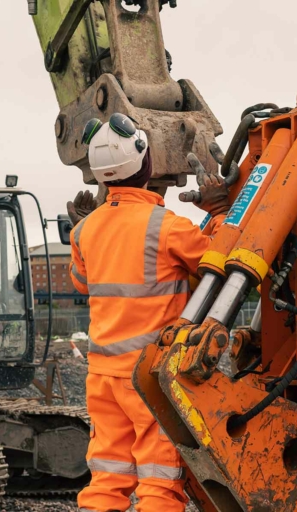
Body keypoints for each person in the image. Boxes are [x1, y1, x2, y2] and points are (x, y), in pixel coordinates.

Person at [68, 113, 231, 512]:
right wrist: (219, 210)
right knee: (159, 481)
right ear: (145, 164)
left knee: (108, 475)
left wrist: (91, 229)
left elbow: (81, 282)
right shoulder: (166, 227)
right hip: (147, 377)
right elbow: (220, 261)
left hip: (102, 376)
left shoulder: (83, 230)